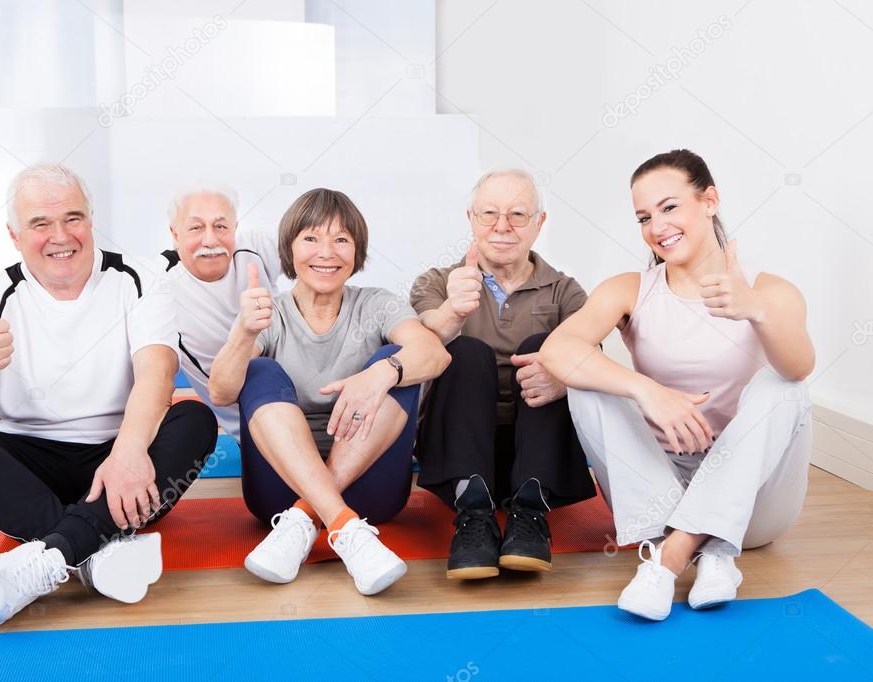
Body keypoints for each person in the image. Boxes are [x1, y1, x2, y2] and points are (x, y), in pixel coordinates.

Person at [0, 163, 218, 629]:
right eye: (40, 223)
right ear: (15, 235)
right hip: (29, 469)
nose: (60, 235)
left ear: (90, 220)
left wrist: (130, 451)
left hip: (121, 465)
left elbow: (157, 374)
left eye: (73, 218)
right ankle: (91, 549)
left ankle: (52, 554)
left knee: (195, 419)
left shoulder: (140, 278)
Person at [540, 149, 815, 621]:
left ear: (709, 200)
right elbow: (558, 351)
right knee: (587, 382)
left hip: (754, 502)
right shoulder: (630, 288)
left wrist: (756, 310)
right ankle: (711, 554)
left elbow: (799, 366)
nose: (656, 227)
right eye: (644, 217)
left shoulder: (768, 289)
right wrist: (648, 390)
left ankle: (671, 555)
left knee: (783, 385)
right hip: (662, 494)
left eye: (669, 207)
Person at [209, 188, 450, 595]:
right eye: (311, 238)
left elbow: (434, 354)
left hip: (370, 488)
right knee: (259, 370)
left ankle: (311, 517)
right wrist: (242, 334)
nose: (327, 252)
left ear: (357, 252)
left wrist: (382, 374)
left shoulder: (376, 304)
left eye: (341, 239)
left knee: (399, 359)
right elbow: (220, 390)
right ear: (289, 248)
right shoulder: (270, 313)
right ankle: (345, 528)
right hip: (279, 491)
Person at [410, 169, 596, 580]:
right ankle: (472, 512)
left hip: (537, 444)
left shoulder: (565, 292)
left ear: (539, 224)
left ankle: (530, 509)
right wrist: (451, 313)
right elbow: (420, 350)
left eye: (517, 214)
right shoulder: (438, 282)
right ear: (471, 219)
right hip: (459, 441)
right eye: (488, 213)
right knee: (465, 352)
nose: (501, 227)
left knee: (544, 352)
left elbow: (592, 358)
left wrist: (562, 376)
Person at [159, 185, 281, 440]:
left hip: (313, 404)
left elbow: (317, 256)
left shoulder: (256, 247)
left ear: (235, 228)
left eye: (221, 226)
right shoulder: (157, 288)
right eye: (196, 227)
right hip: (259, 431)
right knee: (263, 371)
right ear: (175, 233)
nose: (210, 240)